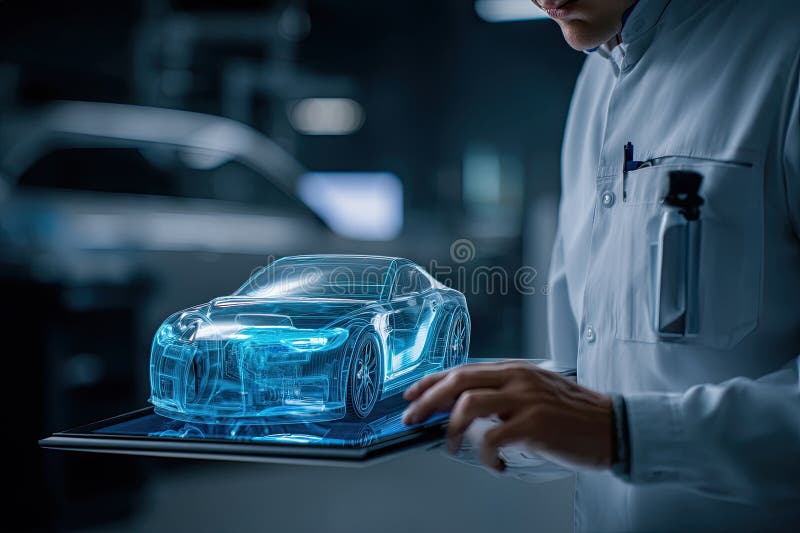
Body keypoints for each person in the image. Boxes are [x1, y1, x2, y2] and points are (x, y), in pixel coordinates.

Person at [403, 0, 800, 530]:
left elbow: (615, 426)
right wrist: (488, 407)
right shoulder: (596, 82)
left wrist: (626, 432)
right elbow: (600, 392)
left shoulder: (786, 50)